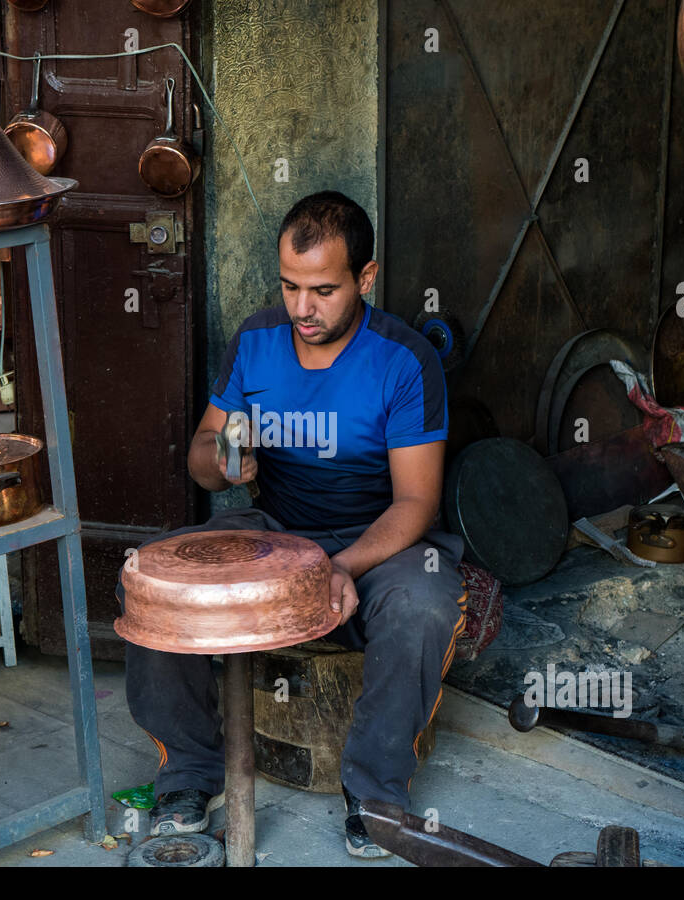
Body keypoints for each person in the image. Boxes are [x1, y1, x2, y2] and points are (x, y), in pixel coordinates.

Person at [121, 190, 466, 858]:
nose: (301, 309)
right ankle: (189, 776)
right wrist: (225, 460)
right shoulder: (256, 339)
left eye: (323, 290)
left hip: (378, 540)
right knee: (153, 579)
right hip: (274, 528)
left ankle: (375, 797)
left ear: (365, 279)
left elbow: (415, 503)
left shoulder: (403, 360)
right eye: (289, 286)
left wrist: (339, 568)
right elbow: (200, 457)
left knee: (423, 607)